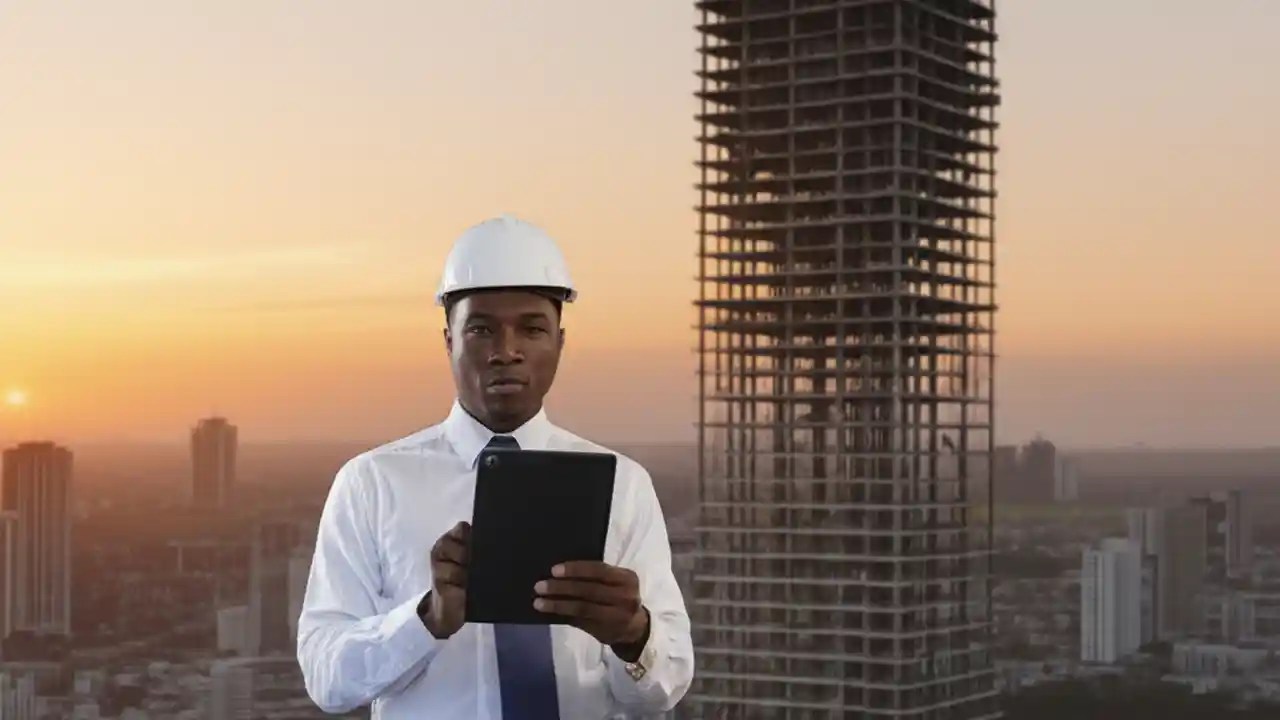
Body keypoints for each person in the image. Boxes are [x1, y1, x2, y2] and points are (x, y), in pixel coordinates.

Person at [296, 214, 694, 719]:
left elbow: (665, 688)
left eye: (532, 329)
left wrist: (633, 636)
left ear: (560, 343)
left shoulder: (623, 484)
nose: (507, 352)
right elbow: (325, 677)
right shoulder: (372, 484)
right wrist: (427, 618)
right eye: (481, 329)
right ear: (448, 341)